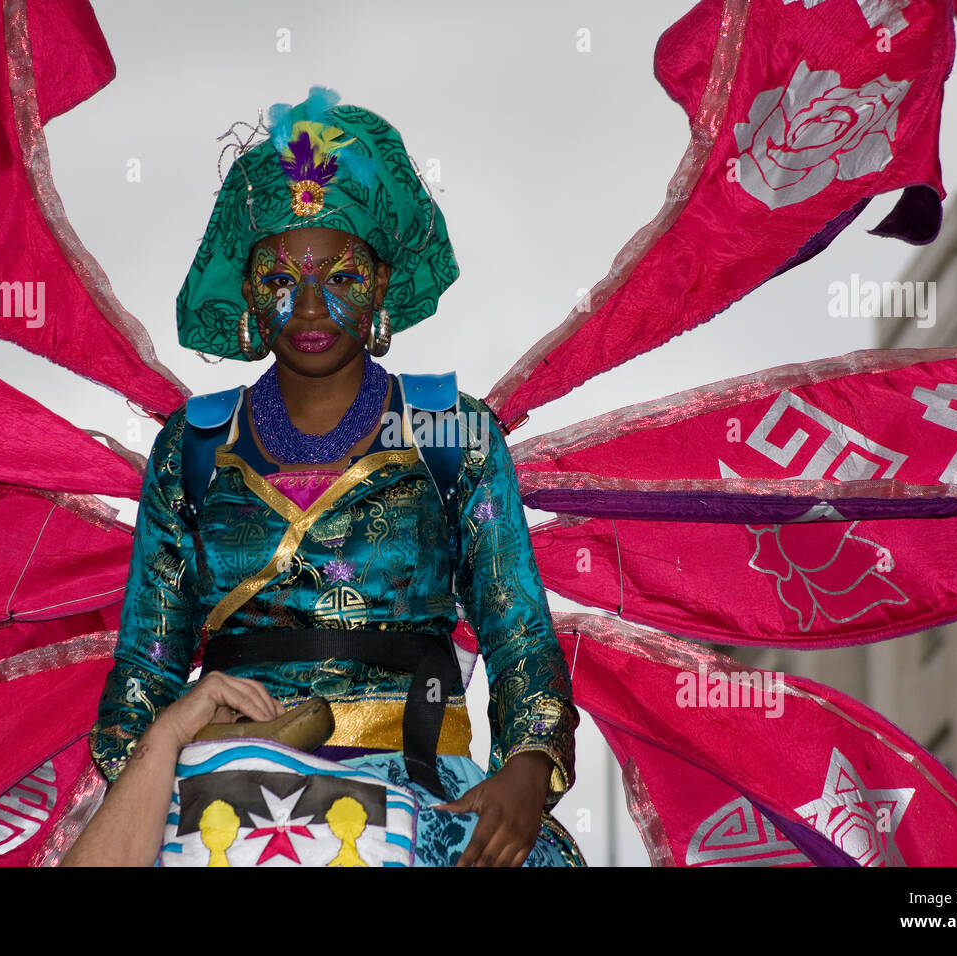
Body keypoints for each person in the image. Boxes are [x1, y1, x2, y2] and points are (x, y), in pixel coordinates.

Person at [74, 86, 583, 867]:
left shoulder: (455, 433)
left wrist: (526, 767)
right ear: (248, 289)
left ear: (381, 283)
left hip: (429, 795)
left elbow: (520, 640)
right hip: (226, 804)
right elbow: (146, 665)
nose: (310, 304)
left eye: (340, 277)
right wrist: (143, 778)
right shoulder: (194, 445)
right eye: (281, 279)